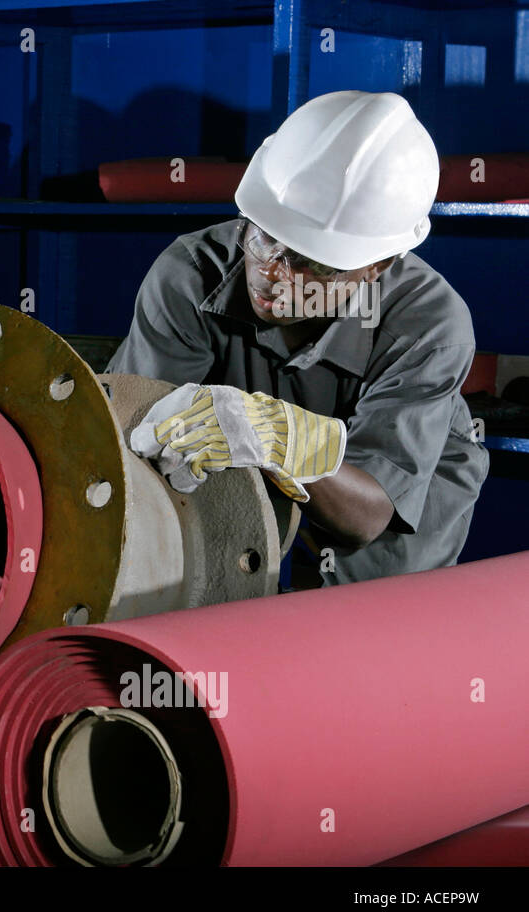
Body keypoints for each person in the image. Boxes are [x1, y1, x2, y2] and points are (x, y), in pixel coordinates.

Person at [108, 90, 488, 585]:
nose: (274, 274)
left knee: (365, 630)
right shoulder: (191, 272)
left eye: (313, 263)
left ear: (377, 266)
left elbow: (367, 519)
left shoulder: (430, 326)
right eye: (265, 237)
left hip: (379, 498)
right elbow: (133, 430)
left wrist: (284, 445)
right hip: (234, 465)